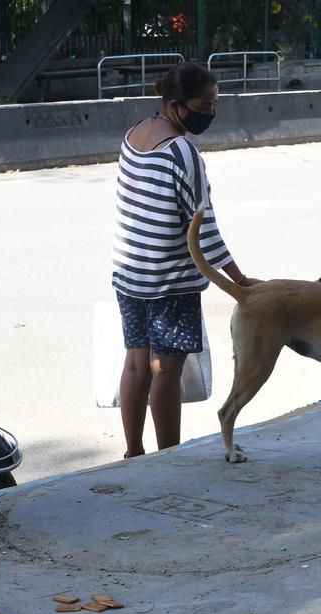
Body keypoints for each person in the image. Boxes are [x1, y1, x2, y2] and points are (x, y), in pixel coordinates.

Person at [112, 62, 259, 459]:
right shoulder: (182, 152)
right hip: (169, 280)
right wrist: (239, 279)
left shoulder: (133, 134)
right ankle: (168, 457)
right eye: (203, 106)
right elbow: (202, 228)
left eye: (214, 105)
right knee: (166, 369)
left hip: (129, 273)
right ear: (176, 105)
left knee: (136, 364)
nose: (210, 113)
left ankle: (133, 453)